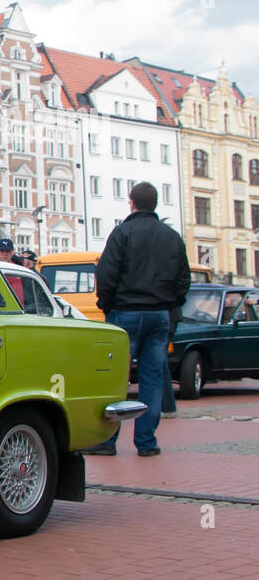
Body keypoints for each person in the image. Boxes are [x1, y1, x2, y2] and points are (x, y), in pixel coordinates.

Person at [86, 182, 189, 457]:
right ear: (155, 205)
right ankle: (146, 442)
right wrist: (169, 303)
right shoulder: (171, 237)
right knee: (152, 378)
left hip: (125, 312)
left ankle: (108, 440)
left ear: (131, 203)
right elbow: (183, 279)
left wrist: (107, 304)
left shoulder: (122, 233)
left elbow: (106, 273)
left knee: (116, 378)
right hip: (159, 314)